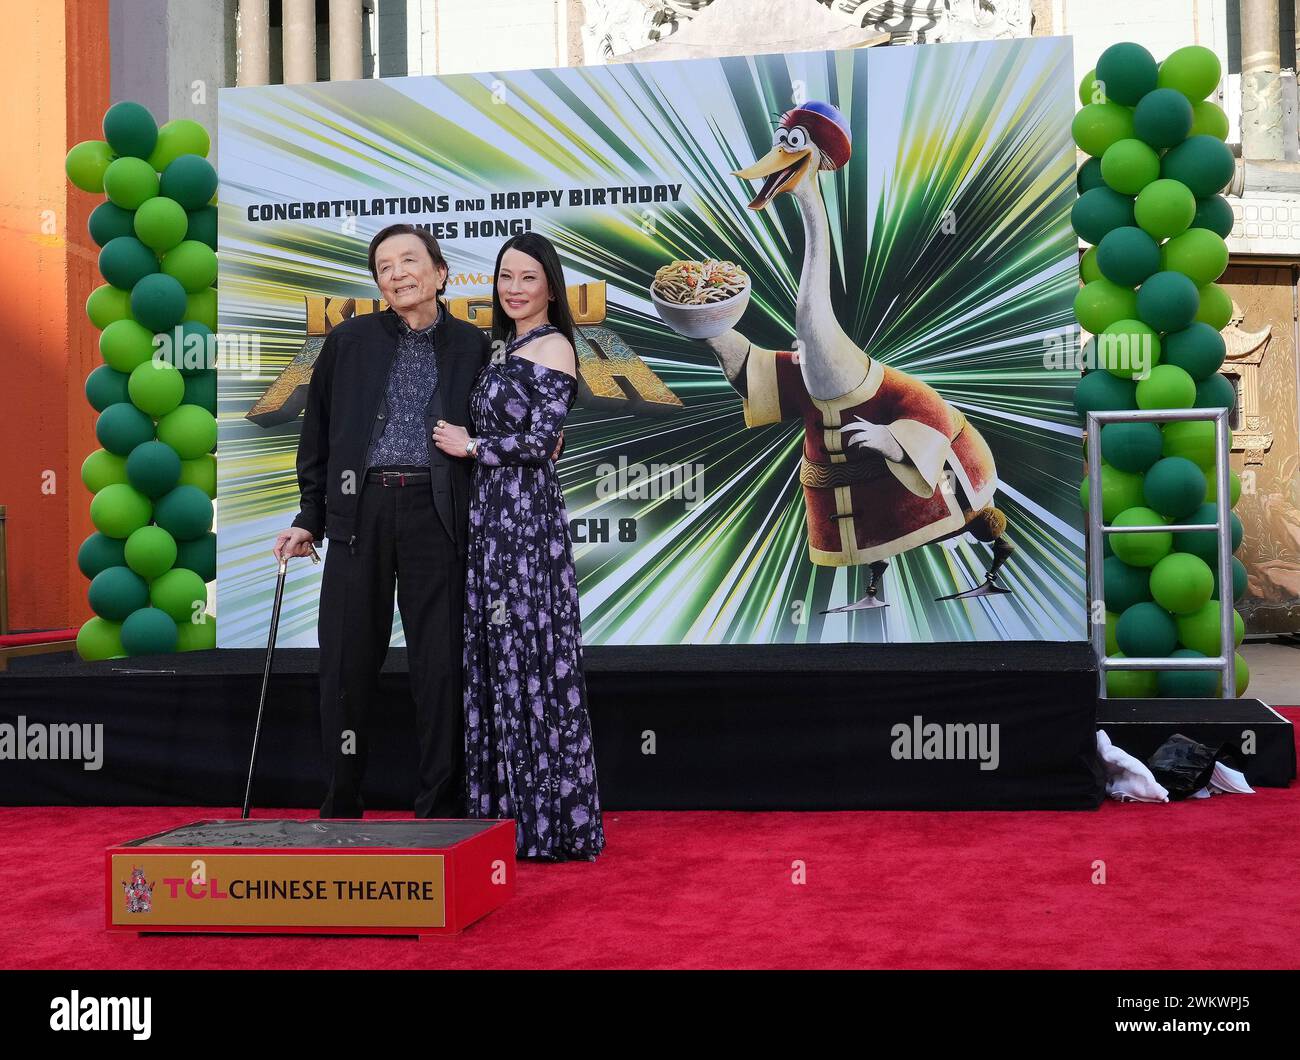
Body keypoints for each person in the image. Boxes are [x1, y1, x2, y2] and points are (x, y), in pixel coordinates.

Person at [273, 223, 489, 819]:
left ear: (441, 274)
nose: (397, 273)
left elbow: (494, 434)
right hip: (357, 511)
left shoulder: (474, 345)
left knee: (441, 665)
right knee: (346, 659)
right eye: (384, 266)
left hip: (439, 514)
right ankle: (341, 801)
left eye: (410, 260)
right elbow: (316, 434)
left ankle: (440, 808)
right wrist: (309, 517)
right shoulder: (349, 341)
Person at [432, 232, 605, 860]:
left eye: (527, 278)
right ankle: (507, 814)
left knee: (527, 653)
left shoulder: (555, 346)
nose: (513, 288)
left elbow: (539, 442)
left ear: (549, 288)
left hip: (523, 523)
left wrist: (472, 445)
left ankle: (549, 821)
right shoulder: (508, 347)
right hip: (491, 515)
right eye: (505, 276)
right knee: (499, 654)